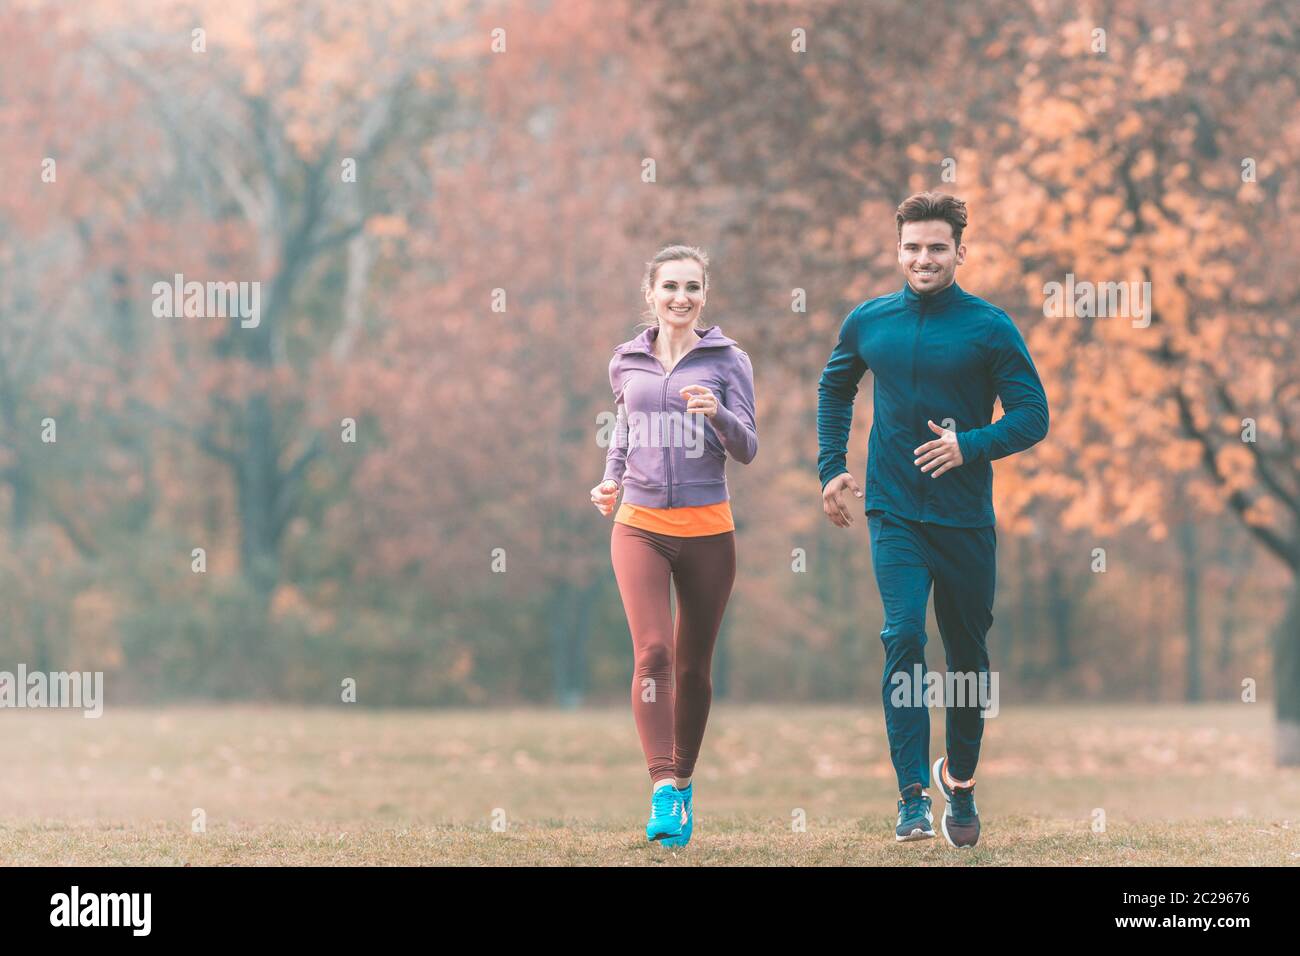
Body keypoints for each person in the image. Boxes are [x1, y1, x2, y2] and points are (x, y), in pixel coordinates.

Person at [816, 192, 1049, 848]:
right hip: (893, 511)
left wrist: (968, 444)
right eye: (913, 248)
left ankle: (963, 782)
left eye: (936, 248)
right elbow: (835, 387)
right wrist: (831, 468)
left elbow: (1034, 415)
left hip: (964, 519)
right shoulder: (870, 322)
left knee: (969, 659)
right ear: (898, 251)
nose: (923, 258)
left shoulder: (989, 326)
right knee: (902, 637)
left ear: (959, 253)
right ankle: (912, 797)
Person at [590, 244, 758, 848]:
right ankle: (662, 786)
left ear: (704, 295)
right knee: (653, 652)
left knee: (692, 667)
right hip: (638, 523)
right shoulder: (625, 360)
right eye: (670, 288)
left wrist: (717, 414)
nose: (680, 298)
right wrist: (610, 478)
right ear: (651, 295)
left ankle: (684, 780)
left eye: (692, 287)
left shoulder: (727, 359)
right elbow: (623, 431)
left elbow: (747, 447)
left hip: (709, 528)